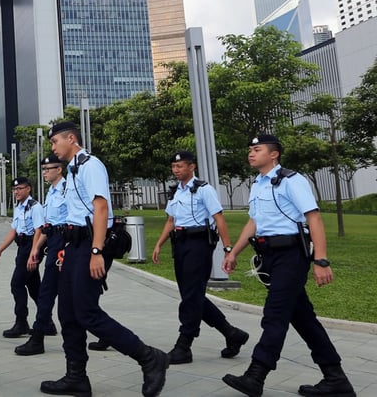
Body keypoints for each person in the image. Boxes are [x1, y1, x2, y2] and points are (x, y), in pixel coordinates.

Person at [40, 121, 168, 397]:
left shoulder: (91, 165)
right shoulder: (73, 170)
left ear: (71, 139)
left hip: (91, 244)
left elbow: (101, 208)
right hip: (74, 245)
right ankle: (76, 377)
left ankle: (149, 357)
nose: (52, 147)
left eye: (54, 142)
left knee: (86, 312)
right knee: (67, 314)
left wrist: (96, 251)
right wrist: (66, 247)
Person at [221, 135, 355, 397]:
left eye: (257, 149)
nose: (251, 153)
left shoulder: (292, 180)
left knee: (275, 313)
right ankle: (335, 378)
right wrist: (234, 252)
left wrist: (321, 260)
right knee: (303, 319)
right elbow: (254, 222)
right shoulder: (258, 184)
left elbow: (313, 218)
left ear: (274, 154)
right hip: (269, 256)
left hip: (292, 255)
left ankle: (256, 375)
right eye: (250, 150)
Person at [150, 150, 249, 365]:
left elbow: (219, 218)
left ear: (192, 167)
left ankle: (184, 345)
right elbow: (170, 220)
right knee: (192, 295)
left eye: (180, 166)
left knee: (191, 296)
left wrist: (228, 249)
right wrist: (159, 243)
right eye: (173, 167)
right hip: (180, 243)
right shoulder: (176, 192)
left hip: (199, 244)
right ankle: (232, 333)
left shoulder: (204, 190)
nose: (176, 170)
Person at [16, 155, 65, 356]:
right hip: (52, 241)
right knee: (47, 292)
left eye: (48, 169)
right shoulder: (51, 192)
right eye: (43, 169)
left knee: (51, 292)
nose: (44, 172)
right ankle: (38, 337)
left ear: (59, 169)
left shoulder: (67, 189)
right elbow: (48, 225)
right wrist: (36, 248)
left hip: (64, 244)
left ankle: (38, 337)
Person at [0, 176, 45, 340]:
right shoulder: (19, 207)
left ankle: (21, 322)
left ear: (28, 188)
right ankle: (47, 321)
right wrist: (0, 250)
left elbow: (39, 230)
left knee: (17, 284)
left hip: (32, 246)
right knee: (34, 287)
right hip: (22, 247)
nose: (16, 192)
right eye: (14, 189)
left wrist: (33, 253)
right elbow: (13, 231)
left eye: (19, 188)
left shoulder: (35, 207)